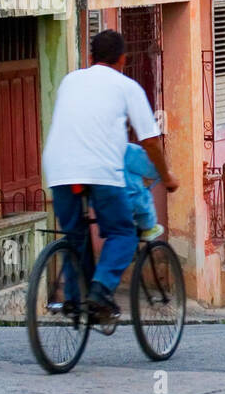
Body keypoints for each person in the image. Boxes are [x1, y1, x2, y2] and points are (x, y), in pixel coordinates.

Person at [41, 29, 179, 324]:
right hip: (101, 170)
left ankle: (75, 302)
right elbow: (151, 141)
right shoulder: (127, 86)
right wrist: (167, 177)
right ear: (123, 60)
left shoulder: (70, 80)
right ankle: (101, 292)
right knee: (122, 233)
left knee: (75, 236)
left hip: (59, 167)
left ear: (90, 58)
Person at [125, 141, 163, 241]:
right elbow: (150, 167)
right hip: (130, 200)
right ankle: (148, 227)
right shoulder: (128, 149)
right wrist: (164, 174)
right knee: (142, 195)